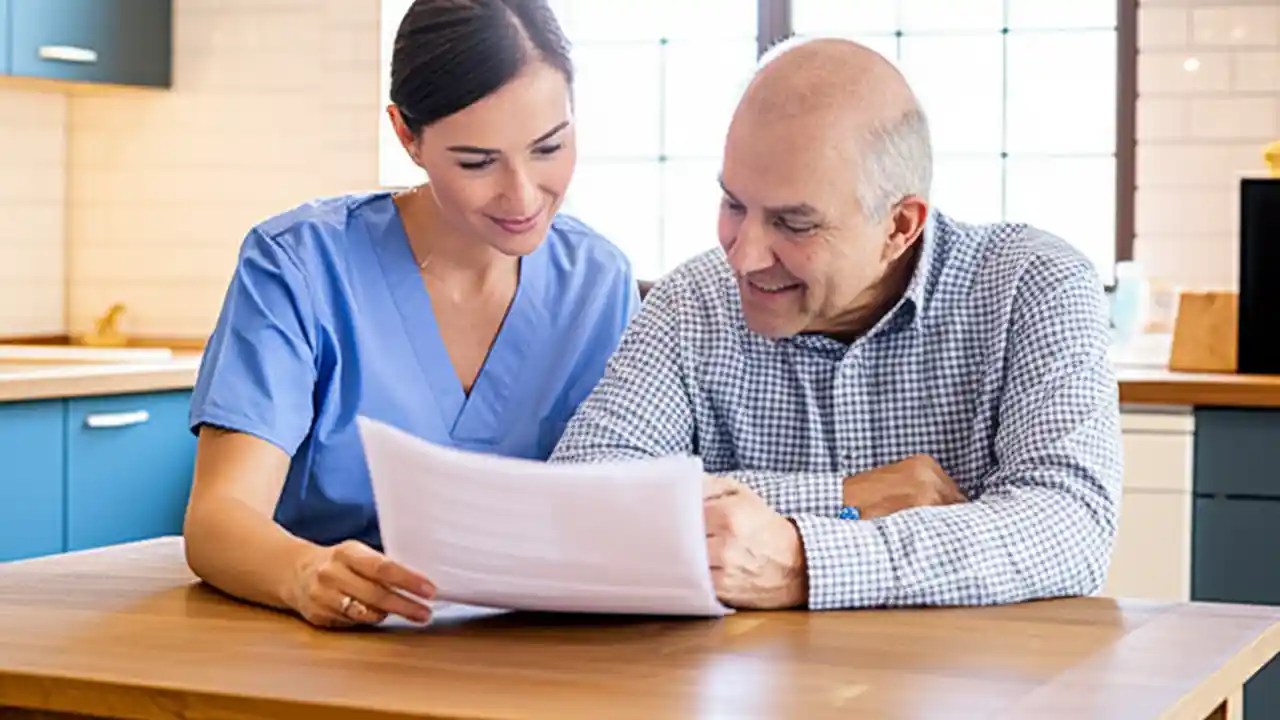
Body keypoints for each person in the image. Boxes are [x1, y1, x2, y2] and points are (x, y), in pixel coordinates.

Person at [551, 37, 1122, 611]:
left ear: (900, 226)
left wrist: (802, 561)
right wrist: (849, 497)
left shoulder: (1032, 285)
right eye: (733, 205)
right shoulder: (693, 302)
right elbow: (579, 501)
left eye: (793, 224)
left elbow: (1069, 526)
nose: (744, 256)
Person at [183, 0, 639, 628]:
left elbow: (616, 513)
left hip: (528, 657)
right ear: (407, 135)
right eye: (477, 162)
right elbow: (217, 519)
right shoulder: (300, 265)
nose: (523, 194)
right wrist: (302, 572)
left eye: (548, 147)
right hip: (319, 648)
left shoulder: (596, 282)